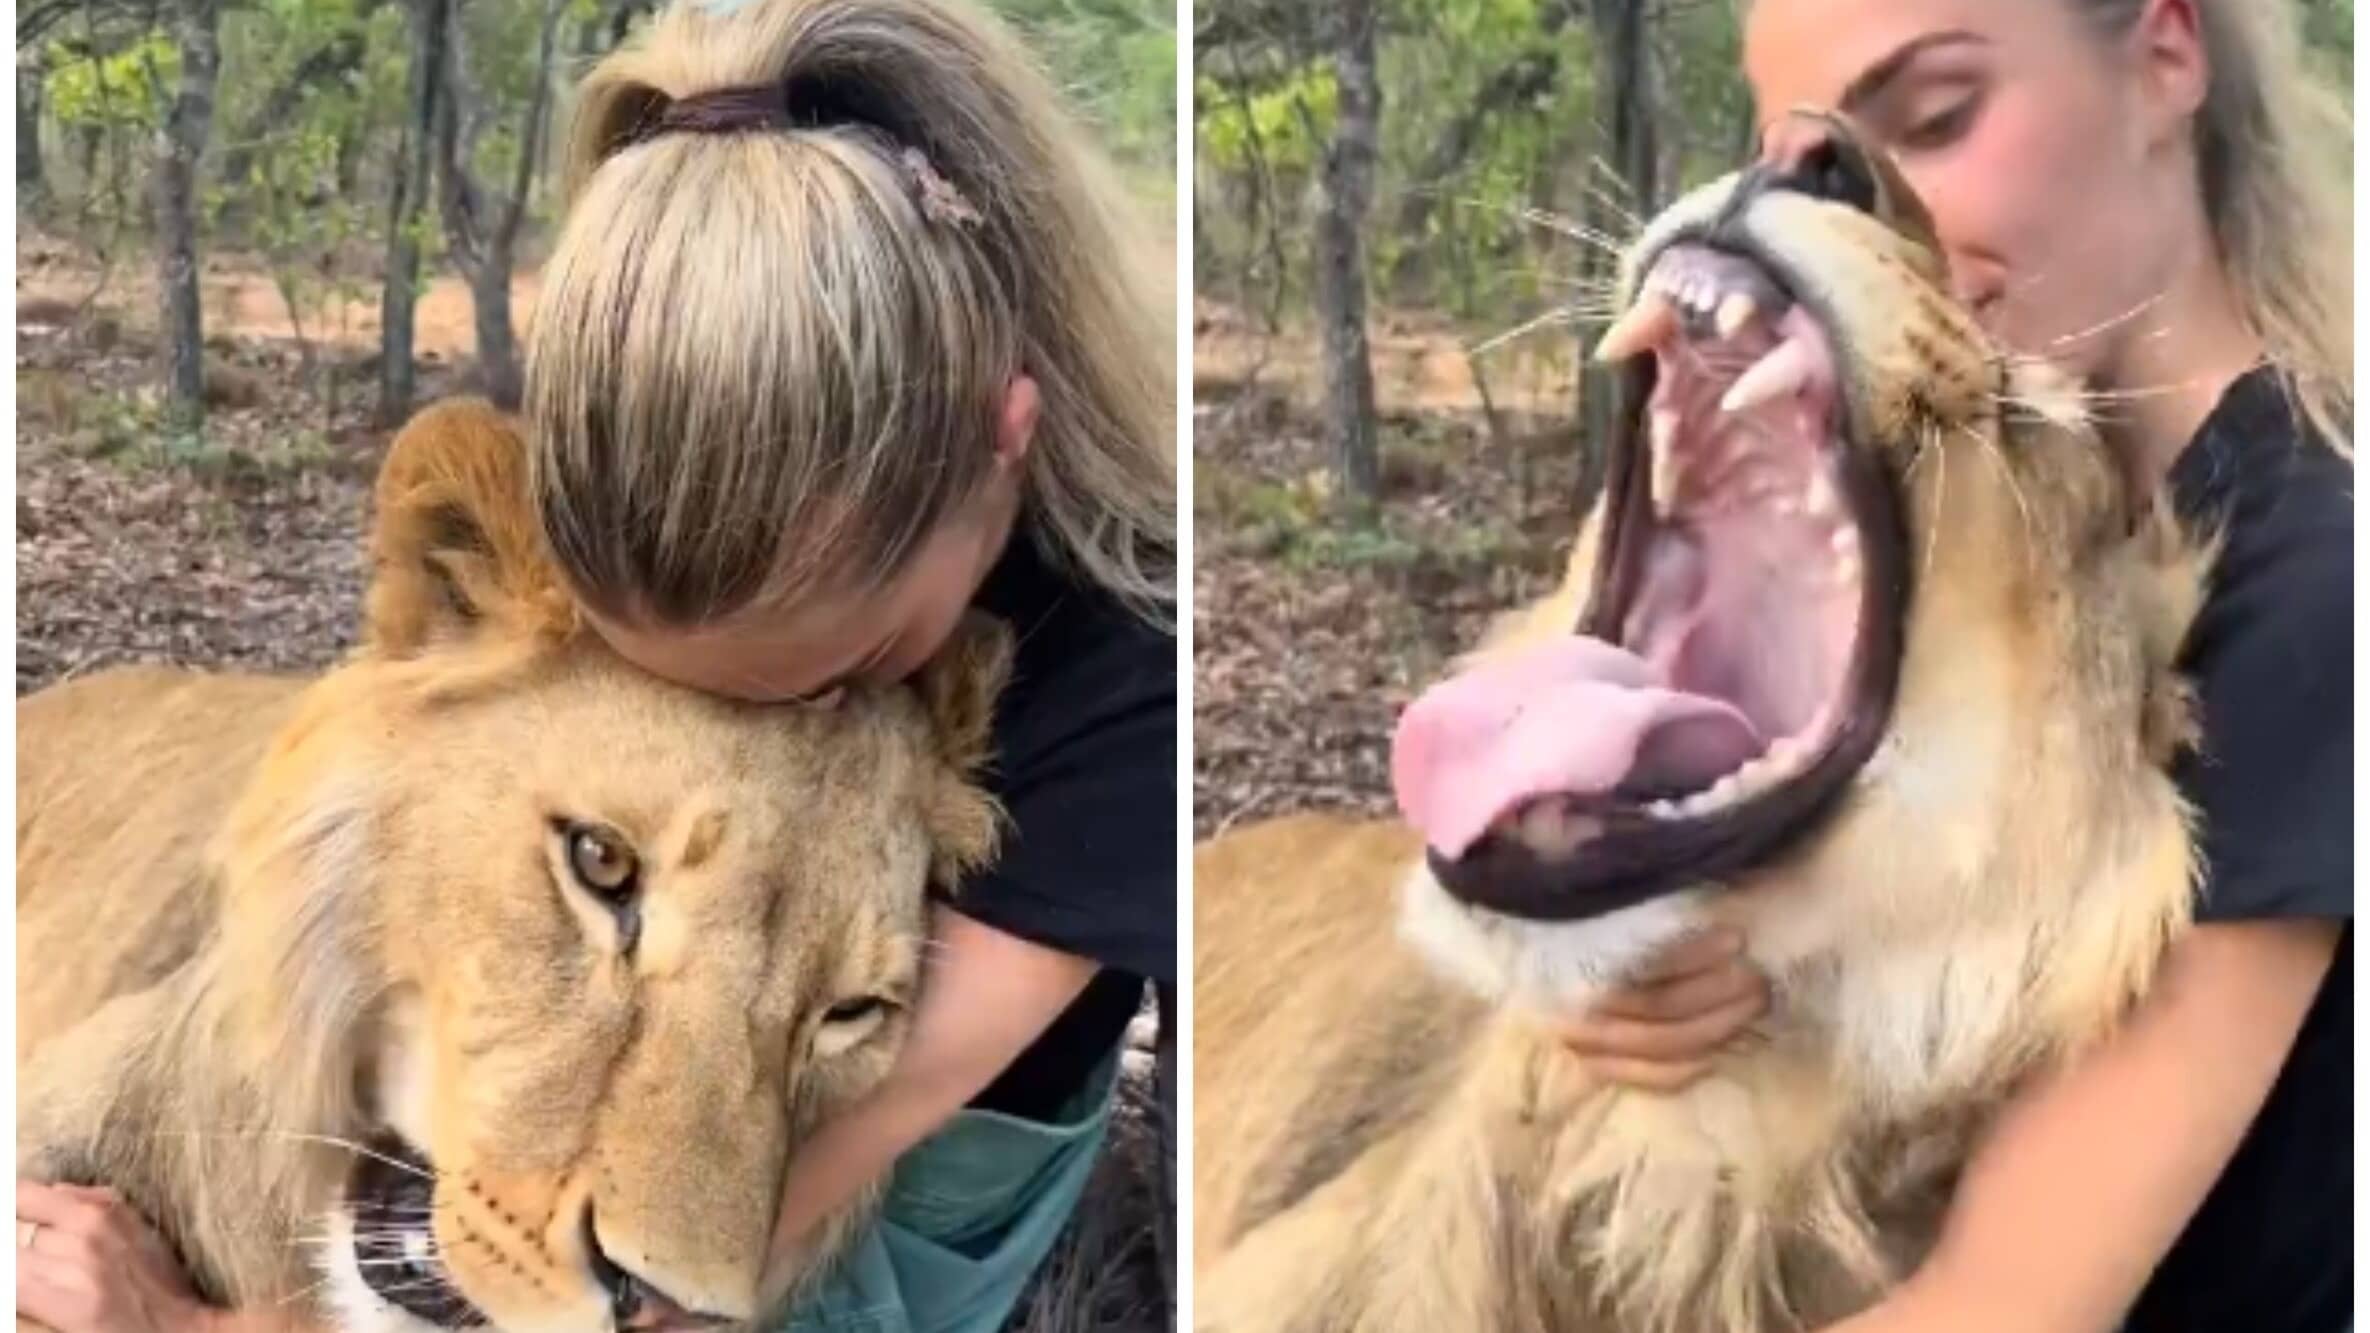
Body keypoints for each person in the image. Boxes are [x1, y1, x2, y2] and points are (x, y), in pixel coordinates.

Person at [14, 1, 1176, 1332]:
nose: (770, 728)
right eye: (672, 687)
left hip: (907, 1157)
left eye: (853, 670)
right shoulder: (675, 418)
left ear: (1000, 435)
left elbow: (698, 1250)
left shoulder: (1132, 686)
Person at [1558, 3, 2351, 1332]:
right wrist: (1645, 967)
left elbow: (2004, 1303)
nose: (1858, 240)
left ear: (2166, 54)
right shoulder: (1979, 515)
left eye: (1932, 119)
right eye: (1803, 174)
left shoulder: (2318, 584)